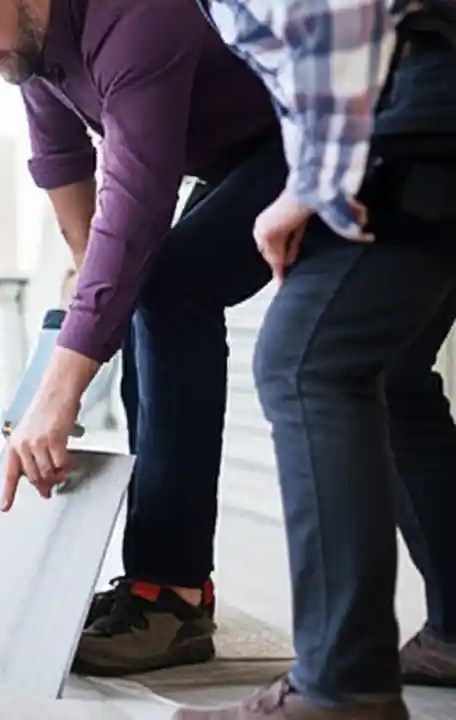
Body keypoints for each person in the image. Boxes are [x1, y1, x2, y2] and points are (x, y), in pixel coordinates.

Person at [0, 0, 289, 675]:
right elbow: (61, 158)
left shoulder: (135, 18)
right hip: (236, 154)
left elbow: (138, 205)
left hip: (298, 138)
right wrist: (91, 299)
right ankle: (159, 584)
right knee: (146, 288)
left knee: (172, 286)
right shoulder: (33, 46)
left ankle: (170, 594)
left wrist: (60, 395)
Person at [171, 1, 456, 718]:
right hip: (424, 96)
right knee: (389, 369)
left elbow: (338, 9)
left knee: (306, 362)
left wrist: (308, 187)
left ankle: (339, 689)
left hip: (426, 95)